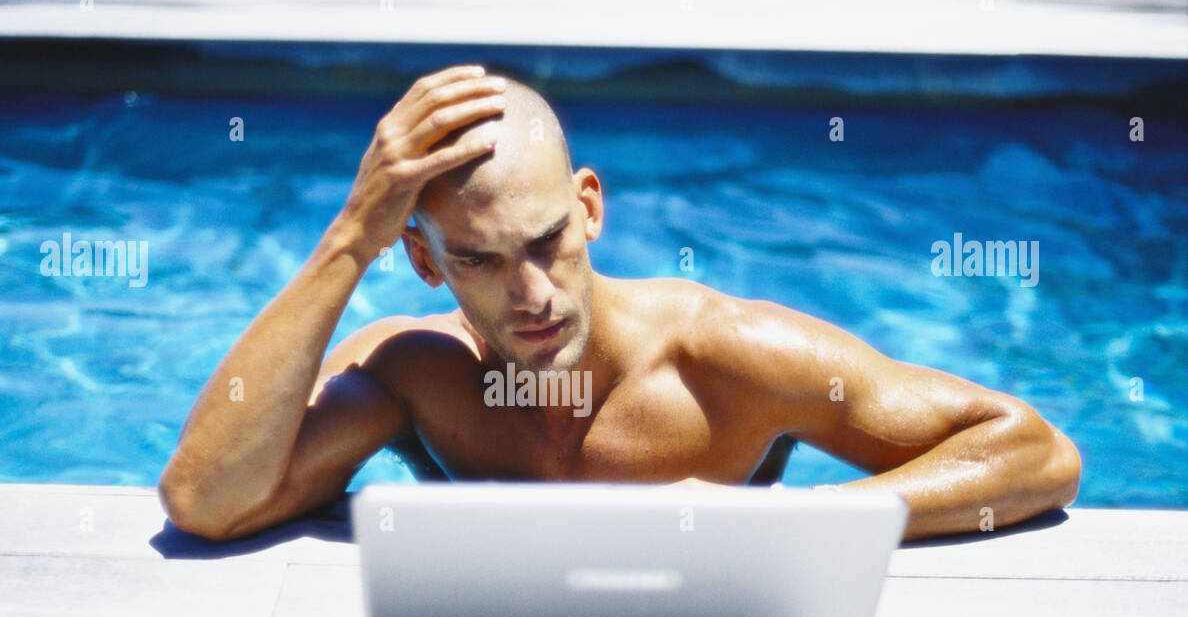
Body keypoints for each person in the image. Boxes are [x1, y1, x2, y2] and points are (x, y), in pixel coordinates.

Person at [159, 64, 1081, 542]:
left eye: (548, 242)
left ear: (590, 207)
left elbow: (1035, 452)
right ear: (425, 263)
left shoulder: (727, 359)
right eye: (480, 261)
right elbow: (205, 500)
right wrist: (349, 239)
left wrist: (782, 529)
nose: (532, 297)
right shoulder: (414, 377)